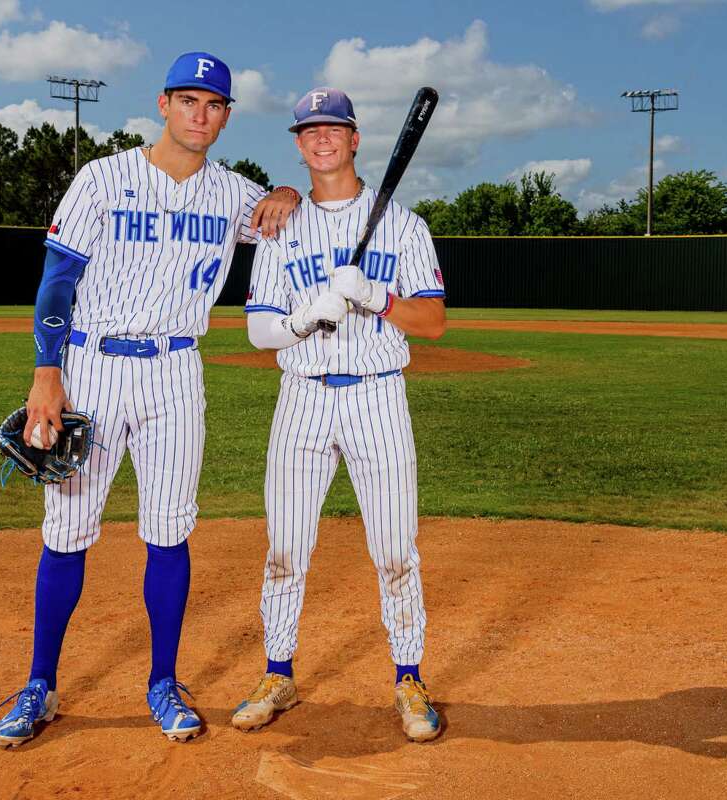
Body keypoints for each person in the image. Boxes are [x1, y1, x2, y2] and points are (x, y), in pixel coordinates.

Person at [0, 52, 302, 748]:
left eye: (214, 104)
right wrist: (47, 373)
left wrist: (287, 189)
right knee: (65, 531)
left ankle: (163, 682)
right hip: (92, 366)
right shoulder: (101, 179)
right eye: (188, 99)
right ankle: (39, 684)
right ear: (162, 104)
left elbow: (287, 214)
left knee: (169, 530)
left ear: (226, 116)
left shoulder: (231, 193)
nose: (200, 114)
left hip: (174, 372)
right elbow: (56, 282)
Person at [231, 87, 448, 741]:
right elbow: (258, 331)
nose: (322, 138)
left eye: (335, 128)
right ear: (298, 146)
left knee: (394, 549)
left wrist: (377, 296)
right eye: (309, 130)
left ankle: (409, 676)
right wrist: (301, 320)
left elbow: (433, 321)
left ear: (355, 140)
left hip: (378, 395)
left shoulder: (405, 227)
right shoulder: (279, 225)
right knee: (285, 548)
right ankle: (278, 672)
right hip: (301, 396)